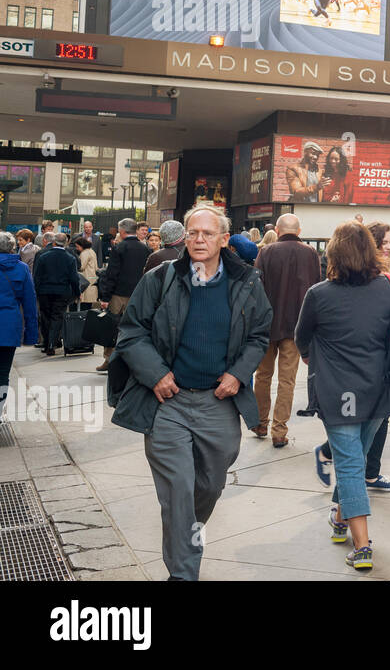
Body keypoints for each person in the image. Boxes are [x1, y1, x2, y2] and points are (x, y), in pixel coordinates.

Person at [111, 204, 274, 581]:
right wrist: (156, 374)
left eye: (208, 233)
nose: (200, 239)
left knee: (210, 485)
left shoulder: (246, 282)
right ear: (185, 236)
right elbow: (131, 331)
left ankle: (186, 527)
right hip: (168, 402)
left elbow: (258, 336)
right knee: (179, 490)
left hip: (218, 402)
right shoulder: (161, 278)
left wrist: (237, 373)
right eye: (193, 232)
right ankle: (183, 573)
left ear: (223, 239)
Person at [294, 222, 390, 570]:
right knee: (355, 459)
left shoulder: (319, 294)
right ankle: (340, 520)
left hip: (338, 392)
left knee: (350, 465)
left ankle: (363, 545)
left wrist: (316, 355)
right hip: (378, 391)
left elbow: (301, 340)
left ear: (333, 254)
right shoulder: (387, 288)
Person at [252, 214, 321, 449]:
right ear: (299, 230)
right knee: (287, 380)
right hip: (295, 325)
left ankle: (260, 422)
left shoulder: (266, 252)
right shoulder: (311, 254)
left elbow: (256, 288)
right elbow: (317, 289)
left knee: (262, 375)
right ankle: (279, 431)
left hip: (267, 325)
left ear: (278, 230)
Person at [96, 217, 153, 373]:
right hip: (138, 294)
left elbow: (112, 274)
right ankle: (131, 360)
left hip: (118, 295)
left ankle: (109, 359)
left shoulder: (119, 248)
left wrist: (105, 297)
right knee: (134, 328)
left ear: (121, 231)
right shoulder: (146, 249)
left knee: (112, 327)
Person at [0, 231, 40, 418]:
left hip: (9, 324)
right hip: (9, 325)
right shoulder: (22, 268)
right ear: (13, 247)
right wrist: (31, 335)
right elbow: (30, 304)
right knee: (2, 373)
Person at [33, 233, 81, 356]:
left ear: (54, 242)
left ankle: (47, 341)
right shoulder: (70, 258)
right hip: (61, 292)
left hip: (44, 291)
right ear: (65, 243)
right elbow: (74, 278)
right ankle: (52, 343)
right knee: (57, 317)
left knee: (45, 316)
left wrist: (36, 291)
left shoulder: (43, 256)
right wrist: (77, 292)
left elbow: (37, 277)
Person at [74, 237, 99, 311]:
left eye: (78, 246)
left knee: (83, 305)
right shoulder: (92, 251)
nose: (77, 248)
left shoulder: (84, 253)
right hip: (92, 279)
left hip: (86, 279)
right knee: (88, 305)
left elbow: (81, 267)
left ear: (82, 246)